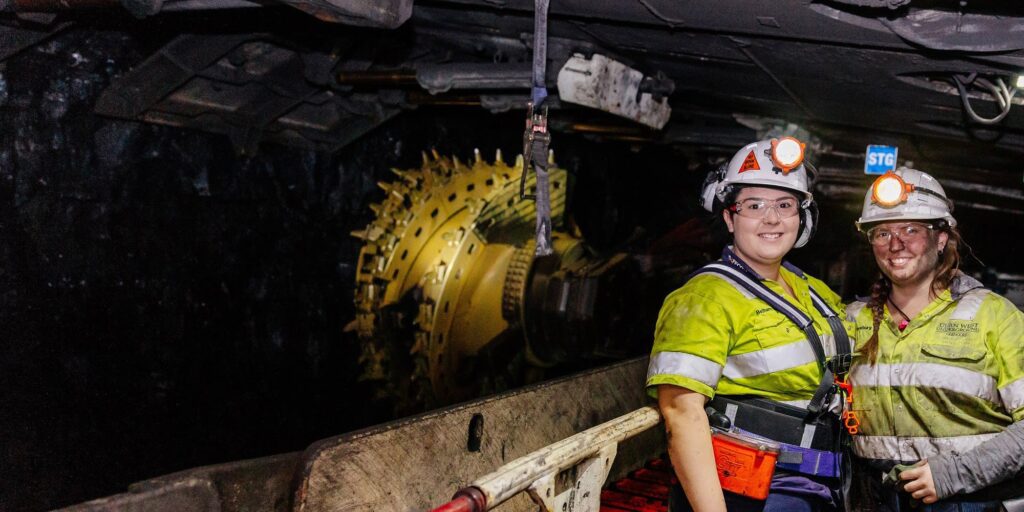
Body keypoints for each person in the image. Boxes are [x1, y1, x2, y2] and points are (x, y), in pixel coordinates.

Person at [647, 137, 852, 512]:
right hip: (751, 496)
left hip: (819, 489)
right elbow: (681, 412)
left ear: (802, 218)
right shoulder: (704, 297)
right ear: (729, 217)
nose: (771, 219)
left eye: (785, 205)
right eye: (754, 205)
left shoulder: (811, 290)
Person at [846, 167, 1024, 512]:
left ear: (941, 238)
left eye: (911, 229)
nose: (895, 244)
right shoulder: (853, 320)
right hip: (874, 500)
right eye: (882, 232)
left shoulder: (993, 316)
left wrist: (954, 473)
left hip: (967, 501)